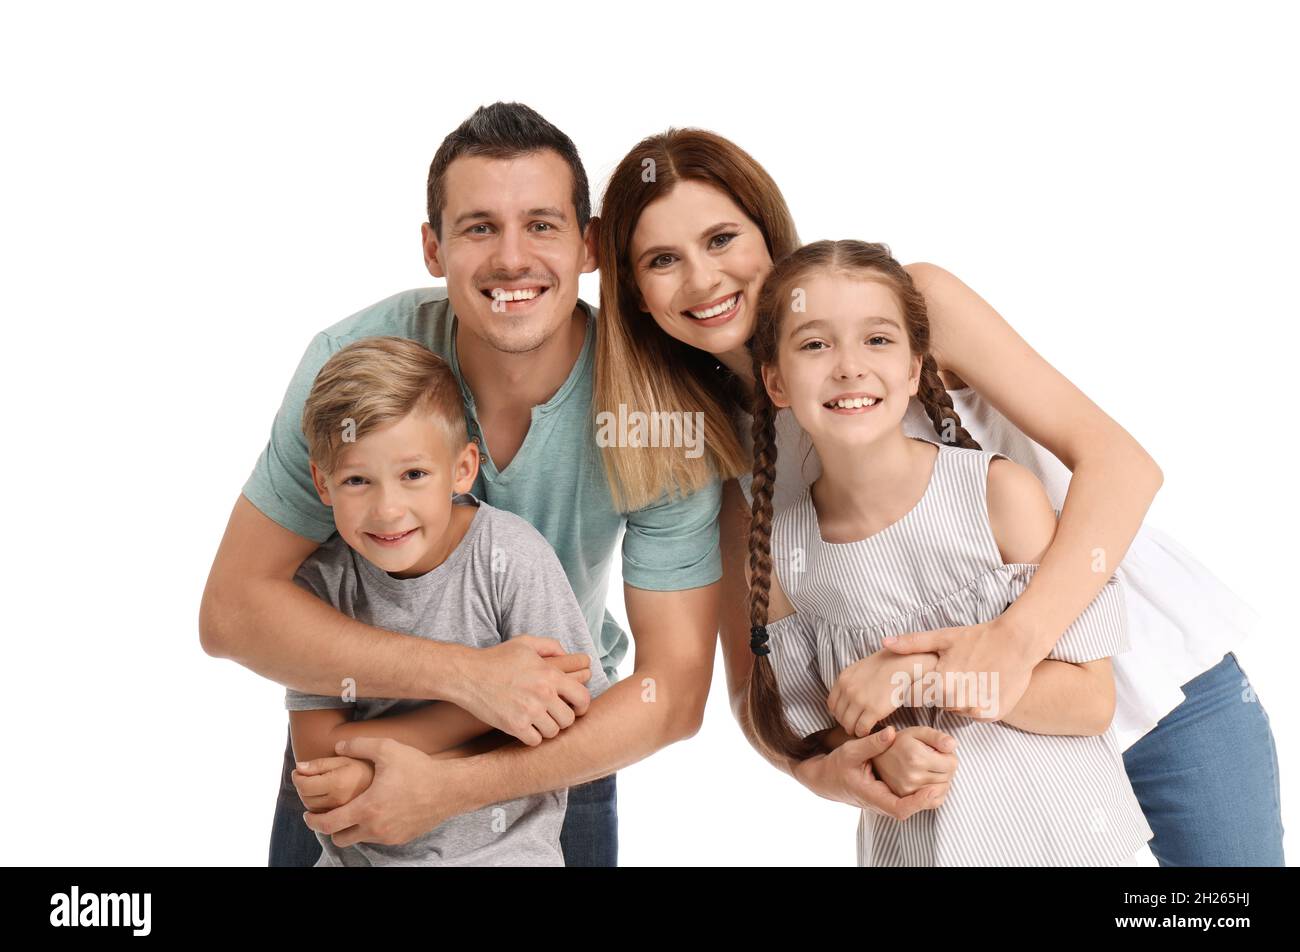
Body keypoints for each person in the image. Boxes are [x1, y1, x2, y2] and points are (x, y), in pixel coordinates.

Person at [593, 128, 1283, 865]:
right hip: (984, 777)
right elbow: (756, 688)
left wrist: (1012, 645)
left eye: (722, 238)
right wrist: (830, 771)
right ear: (634, 292)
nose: (704, 280)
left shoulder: (903, 304)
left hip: (1148, 686)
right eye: (663, 260)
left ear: (767, 232)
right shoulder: (712, 448)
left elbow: (1121, 464)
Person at [199, 103, 723, 867]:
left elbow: (669, 695)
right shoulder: (353, 364)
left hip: (556, 745)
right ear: (432, 248)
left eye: (541, 224)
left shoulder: (657, 411)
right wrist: (467, 679)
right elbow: (232, 610)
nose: (512, 259)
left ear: (588, 245)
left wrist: (453, 786)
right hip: (352, 747)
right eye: (479, 227)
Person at [745, 240, 1151, 865]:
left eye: (877, 340)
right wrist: (878, 753)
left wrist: (921, 673)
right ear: (775, 380)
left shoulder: (998, 496)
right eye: (815, 344)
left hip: (1067, 842)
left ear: (915, 370)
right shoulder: (784, 556)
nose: (849, 366)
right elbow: (815, 727)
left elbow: (1091, 703)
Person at [284, 336, 610, 866]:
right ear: (323, 483)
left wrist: (386, 766)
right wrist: (485, 701)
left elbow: (573, 712)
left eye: (414, 475)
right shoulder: (321, 588)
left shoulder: (510, 557)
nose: (388, 510)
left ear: (463, 469)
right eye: (357, 480)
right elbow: (319, 772)